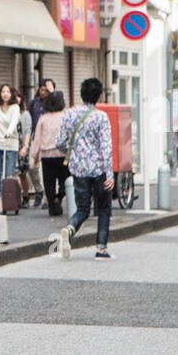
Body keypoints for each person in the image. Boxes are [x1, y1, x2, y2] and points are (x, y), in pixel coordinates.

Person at [56, 77, 113, 259]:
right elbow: (106, 147)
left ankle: (69, 228)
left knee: (82, 209)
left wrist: (71, 152)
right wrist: (110, 173)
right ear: (99, 96)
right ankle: (101, 248)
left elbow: (60, 142)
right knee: (103, 208)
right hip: (98, 169)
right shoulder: (101, 117)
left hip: (78, 169)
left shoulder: (70, 114)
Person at [30, 90, 69, 216]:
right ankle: (60, 196)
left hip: (47, 156)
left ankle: (52, 207)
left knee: (49, 183)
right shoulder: (65, 116)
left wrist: (34, 156)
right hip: (63, 154)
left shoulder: (43, 119)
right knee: (65, 180)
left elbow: (37, 139)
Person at [0, 83, 20, 192]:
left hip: (10, 142)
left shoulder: (15, 107)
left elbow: (14, 121)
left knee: (8, 175)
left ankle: (7, 199)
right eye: (3, 92)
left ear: (11, 94)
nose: (5, 94)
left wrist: (9, 132)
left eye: (8, 92)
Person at [16, 88, 44, 207]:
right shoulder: (11, 112)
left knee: (32, 169)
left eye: (18, 96)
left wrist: (25, 146)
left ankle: (39, 191)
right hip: (14, 145)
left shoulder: (25, 114)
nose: (16, 99)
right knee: (21, 173)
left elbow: (28, 130)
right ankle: (25, 196)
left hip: (26, 144)